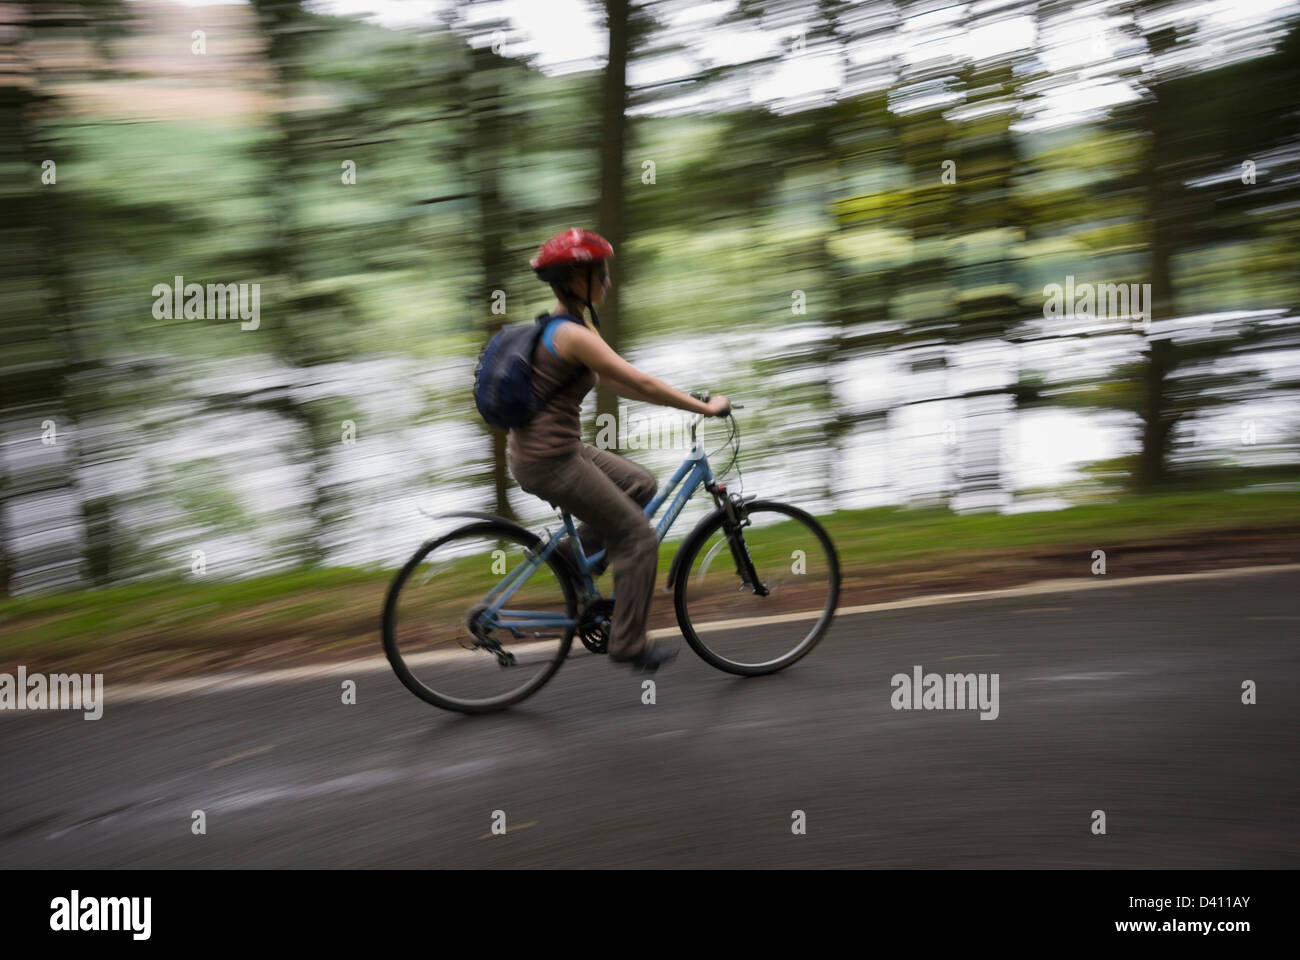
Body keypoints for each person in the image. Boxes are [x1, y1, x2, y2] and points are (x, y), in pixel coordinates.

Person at [507, 228, 730, 671]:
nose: (607, 283)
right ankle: (627, 643)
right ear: (577, 279)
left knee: (641, 484)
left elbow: (618, 380)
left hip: (551, 450)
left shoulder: (565, 327)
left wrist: (680, 401)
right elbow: (639, 382)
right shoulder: (573, 335)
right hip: (551, 461)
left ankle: (573, 558)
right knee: (638, 538)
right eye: (601, 274)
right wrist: (702, 407)